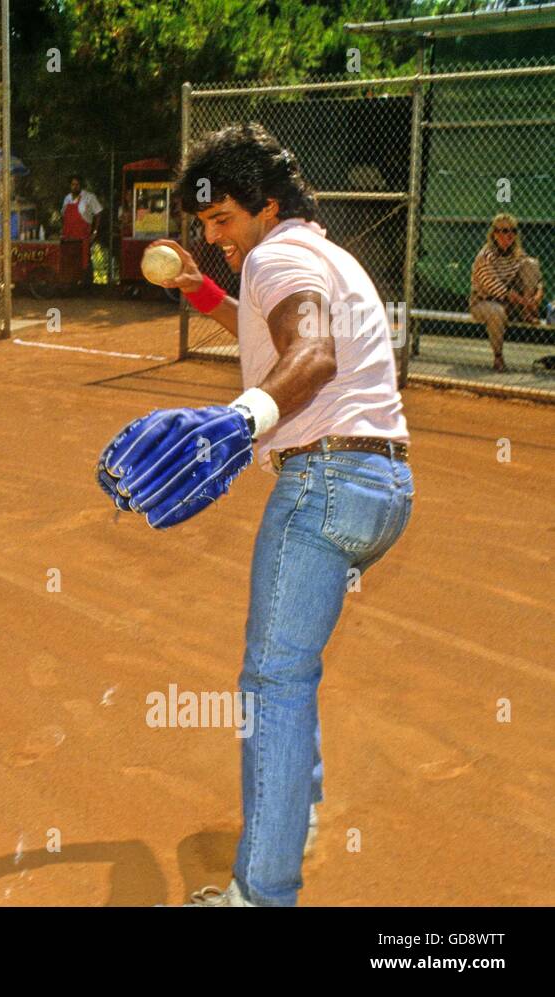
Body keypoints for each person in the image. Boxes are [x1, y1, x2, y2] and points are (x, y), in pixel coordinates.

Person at [149, 123, 413, 906]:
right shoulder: (326, 255)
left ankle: (260, 893)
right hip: (382, 488)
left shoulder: (276, 256)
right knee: (291, 670)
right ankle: (297, 813)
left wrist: (243, 417)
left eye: (223, 218)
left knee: (272, 682)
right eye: (203, 226)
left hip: (323, 483)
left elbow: (312, 352)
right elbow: (278, 336)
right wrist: (201, 292)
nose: (216, 237)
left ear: (266, 206)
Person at [470, 213, 544, 372]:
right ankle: (498, 356)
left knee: (530, 263)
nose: (509, 235)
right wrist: (525, 302)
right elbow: (498, 289)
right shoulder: (485, 256)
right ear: (494, 234)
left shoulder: (516, 252)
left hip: (512, 303)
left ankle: (527, 312)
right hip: (484, 301)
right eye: (503, 231)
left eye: (513, 230)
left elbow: (536, 277)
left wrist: (537, 294)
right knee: (497, 312)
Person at [61, 175, 103, 289]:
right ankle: (72, 287)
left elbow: (98, 214)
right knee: (70, 263)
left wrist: (95, 231)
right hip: (69, 237)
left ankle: (87, 288)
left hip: (83, 236)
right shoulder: (67, 199)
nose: (75, 187)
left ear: (81, 185)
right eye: (73, 184)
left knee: (85, 262)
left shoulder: (89, 197)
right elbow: (63, 216)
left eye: (77, 184)